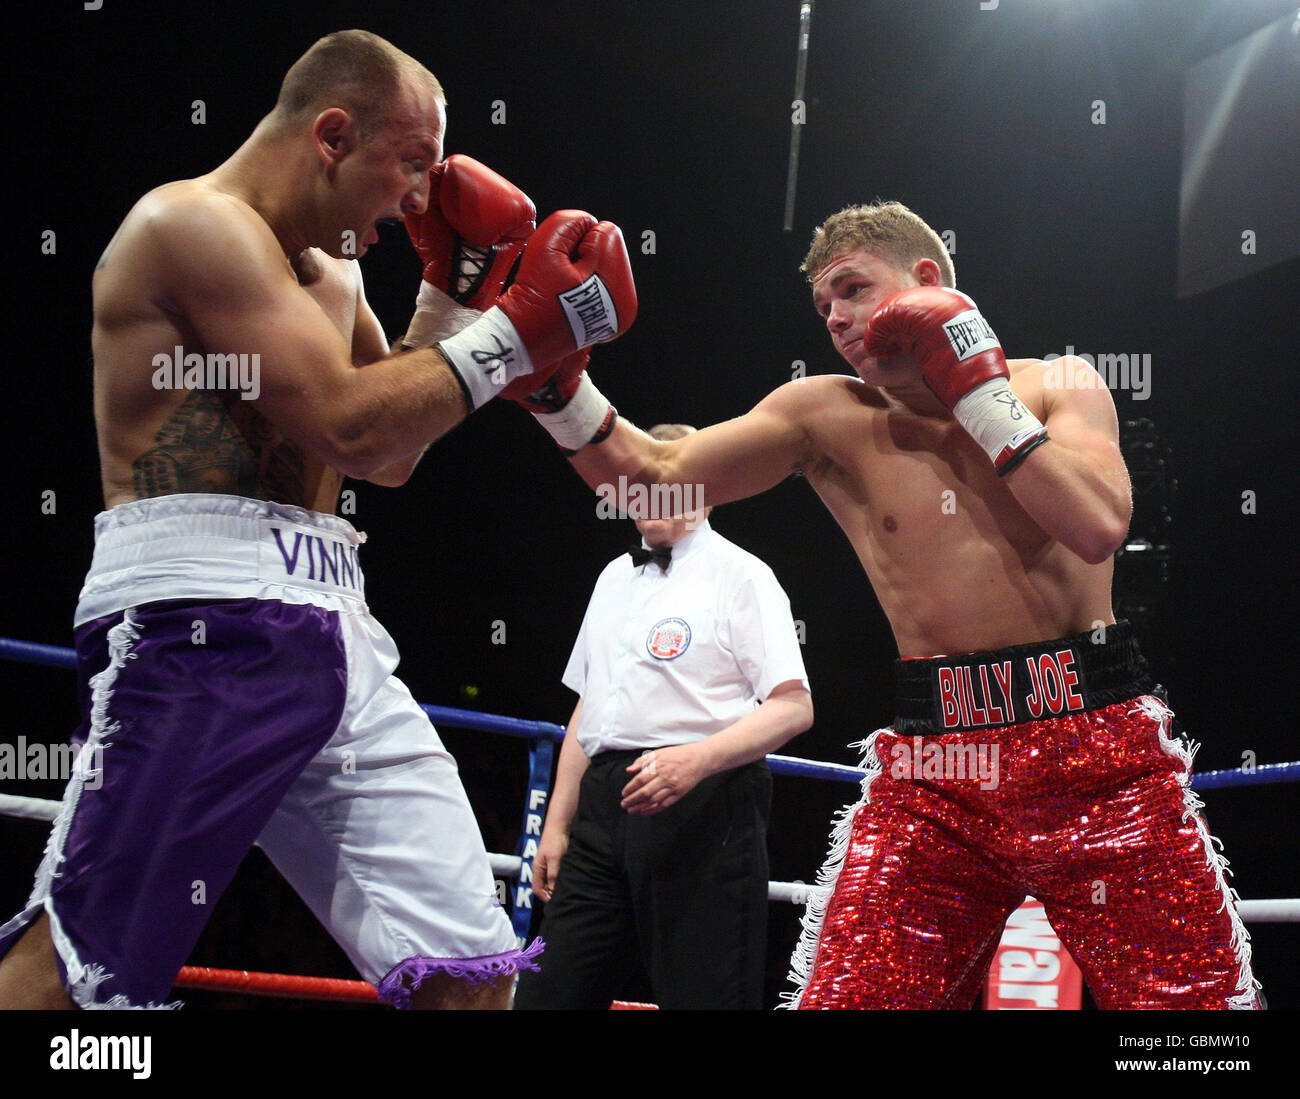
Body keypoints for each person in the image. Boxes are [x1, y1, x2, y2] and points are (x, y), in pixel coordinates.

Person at [0, 29, 636, 1010]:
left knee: (469, 975)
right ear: (332, 134)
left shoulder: (334, 274)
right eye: (409, 166)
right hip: (196, 619)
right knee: (74, 975)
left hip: (335, 625)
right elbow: (343, 416)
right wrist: (519, 333)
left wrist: (452, 294)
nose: (420, 199)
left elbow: (384, 455)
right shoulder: (190, 225)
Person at [515, 201, 1261, 1009]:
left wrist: (977, 389)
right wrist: (559, 385)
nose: (835, 316)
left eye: (851, 288)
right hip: (936, 769)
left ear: (926, 281)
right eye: (822, 307)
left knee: (1196, 1027)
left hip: (1095, 752)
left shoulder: (1061, 383)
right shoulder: (824, 414)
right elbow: (656, 479)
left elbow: (1094, 525)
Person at [512, 425, 813, 1009]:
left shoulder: (743, 576)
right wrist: (558, 822)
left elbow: (793, 706)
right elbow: (590, 705)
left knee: (705, 998)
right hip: (602, 810)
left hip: (704, 804)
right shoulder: (613, 578)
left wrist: (695, 761)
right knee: (548, 996)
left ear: (704, 490)